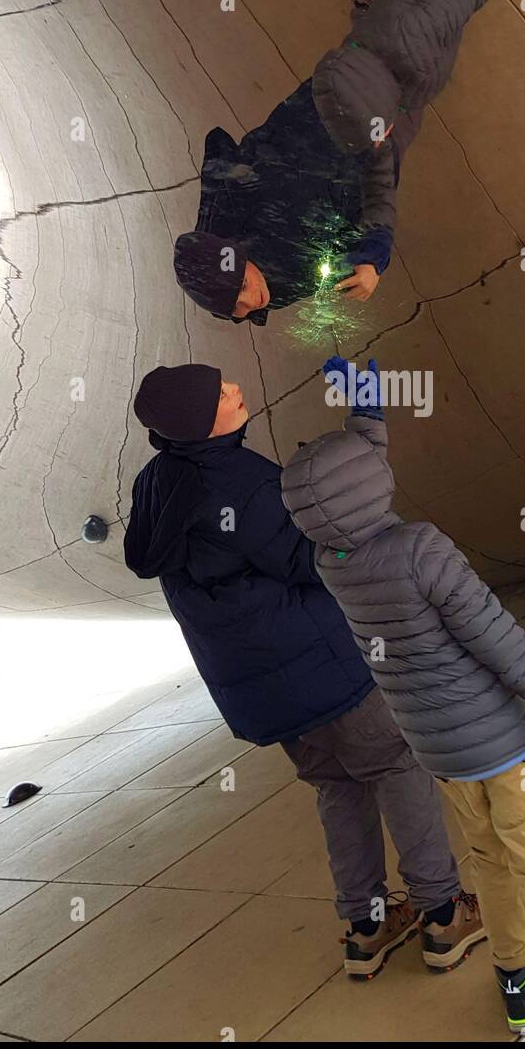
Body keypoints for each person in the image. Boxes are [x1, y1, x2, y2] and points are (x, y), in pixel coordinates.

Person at [279, 359, 525, 1042]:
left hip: (436, 749)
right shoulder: (422, 550)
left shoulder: (332, 561)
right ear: (372, 489)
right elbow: (494, 634)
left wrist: (365, 421)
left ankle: (519, 985)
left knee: (489, 861)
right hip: (498, 745)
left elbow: (345, 495)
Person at [123, 362, 485, 978]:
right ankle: (444, 913)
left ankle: (367, 929)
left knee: (338, 788)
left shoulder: (157, 483)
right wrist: (364, 439)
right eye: (221, 391)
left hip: (265, 693)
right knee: (396, 767)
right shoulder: (234, 481)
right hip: (326, 667)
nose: (235, 388)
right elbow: (318, 554)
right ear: (198, 421)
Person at [173, 0, 491, 327]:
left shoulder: (245, 195)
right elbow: (336, 247)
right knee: (408, 20)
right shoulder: (277, 277)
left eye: (242, 290)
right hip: (364, 116)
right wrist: (363, 261)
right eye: (238, 308)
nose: (253, 301)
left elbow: (223, 150)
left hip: (354, 112)